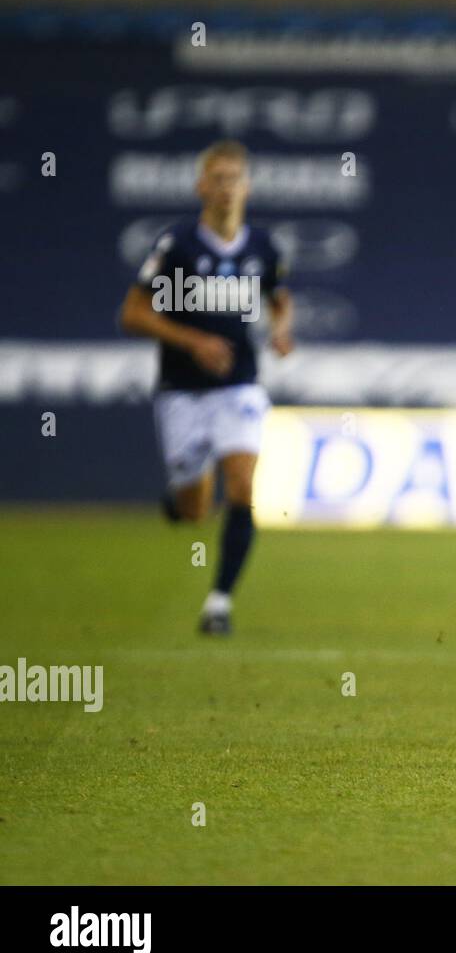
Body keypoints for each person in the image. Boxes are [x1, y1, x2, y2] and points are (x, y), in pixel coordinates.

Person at [117, 140, 293, 635]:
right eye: (217, 178)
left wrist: (281, 330)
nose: (226, 187)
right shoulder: (177, 246)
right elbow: (132, 314)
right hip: (181, 390)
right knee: (195, 510)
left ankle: (219, 603)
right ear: (201, 187)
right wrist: (193, 340)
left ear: (247, 186)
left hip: (239, 386)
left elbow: (280, 299)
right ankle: (180, 503)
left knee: (241, 488)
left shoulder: (263, 247)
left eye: (234, 178)